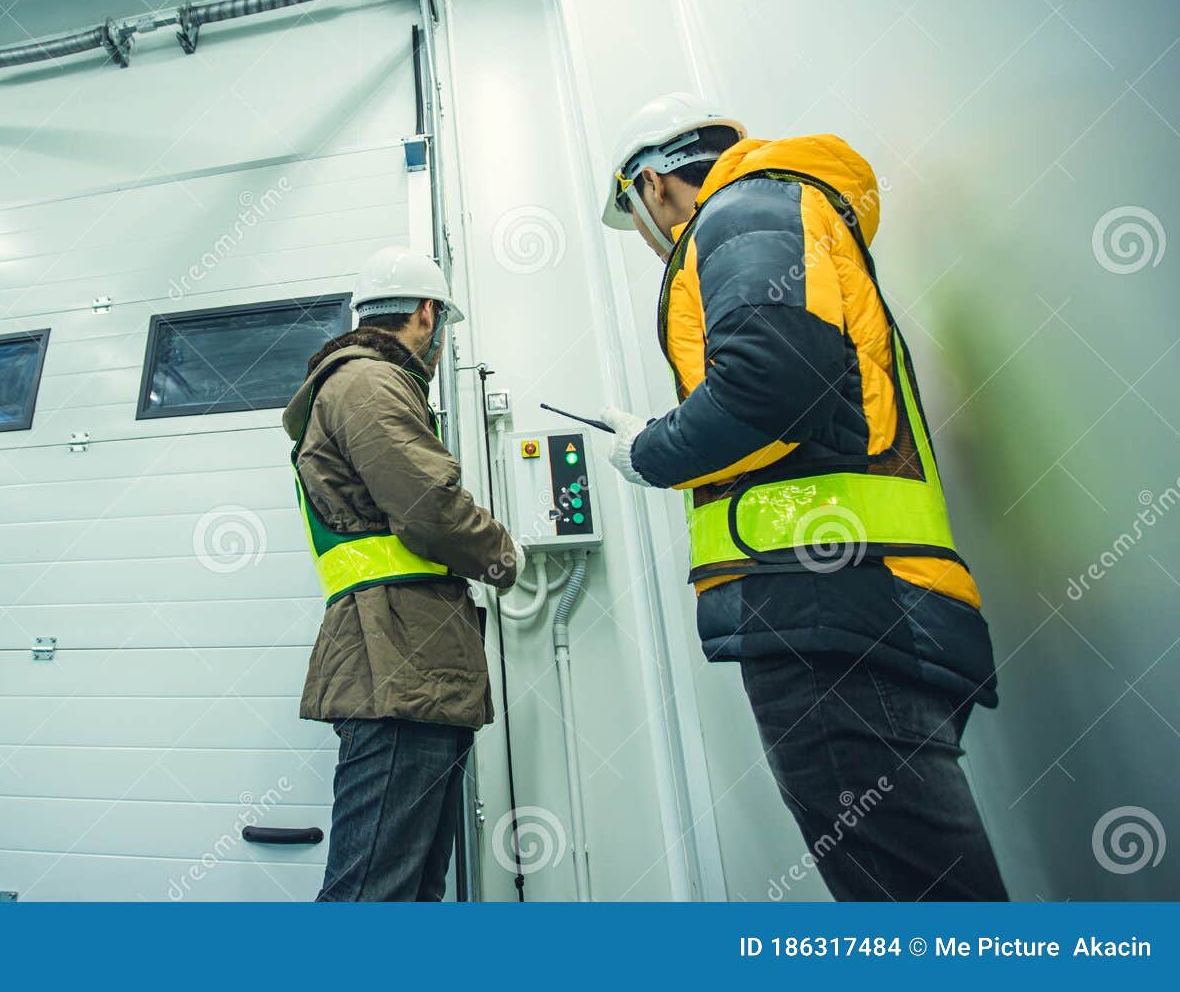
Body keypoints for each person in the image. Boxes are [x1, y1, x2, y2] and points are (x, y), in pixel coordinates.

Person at [595, 93, 1007, 901]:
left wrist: (649, 451)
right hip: (857, 607)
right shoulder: (784, 213)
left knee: (921, 918)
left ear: (652, 184)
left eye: (637, 215)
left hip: (832, 619)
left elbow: (773, 386)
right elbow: (792, 385)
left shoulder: (741, 212)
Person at [285, 245, 522, 901]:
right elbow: (428, 506)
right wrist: (505, 555)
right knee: (372, 895)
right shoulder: (368, 382)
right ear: (426, 314)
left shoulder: (369, 385)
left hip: (412, 663)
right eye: (442, 325)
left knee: (412, 891)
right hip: (396, 662)